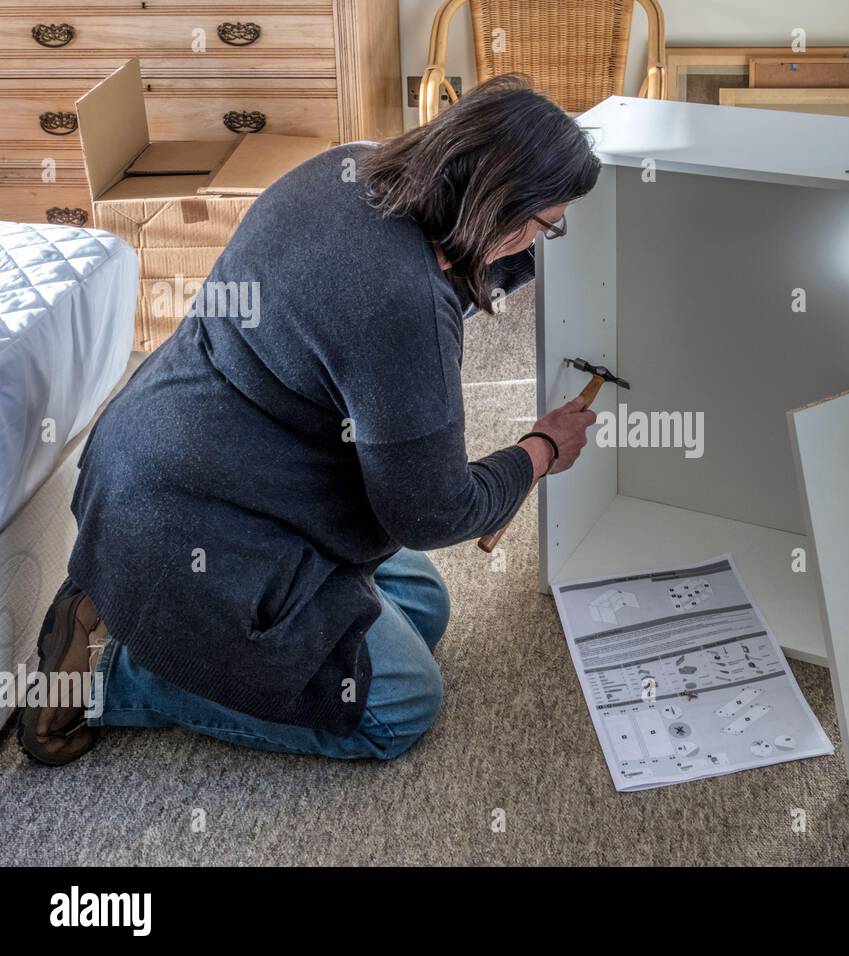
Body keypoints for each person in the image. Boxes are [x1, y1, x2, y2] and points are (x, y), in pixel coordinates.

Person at [18, 75, 599, 765]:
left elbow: (460, 269)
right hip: (193, 523)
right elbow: (434, 513)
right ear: (500, 207)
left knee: (424, 608)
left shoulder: (354, 165)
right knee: (400, 703)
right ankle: (108, 675)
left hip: (167, 453)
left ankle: (143, 604)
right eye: (545, 225)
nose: (543, 242)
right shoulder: (400, 306)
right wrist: (538, 449)